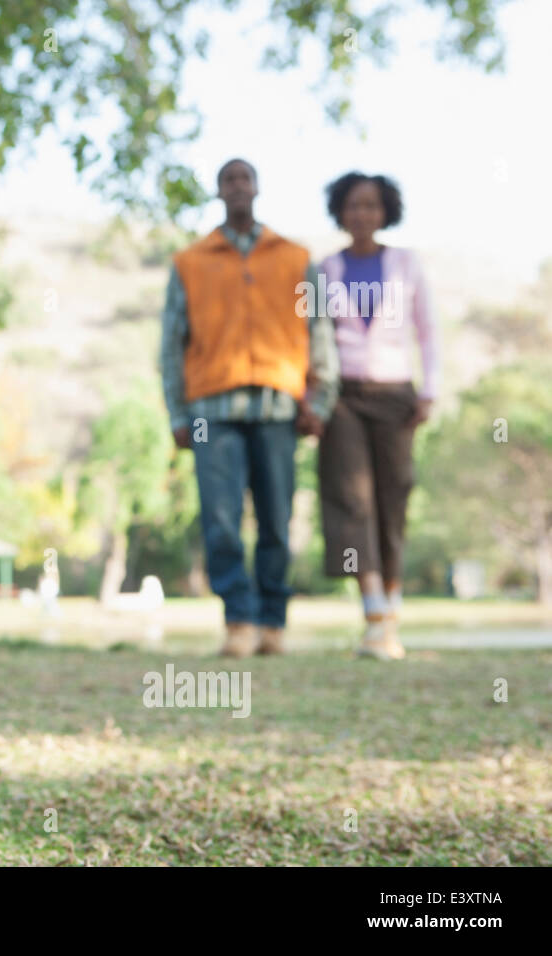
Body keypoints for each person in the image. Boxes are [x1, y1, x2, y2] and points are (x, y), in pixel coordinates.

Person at [160, 158, 339, 657]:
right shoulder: (190, 261)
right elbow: (171, 344)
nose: (238, 186)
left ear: (257, 188)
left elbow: (319, 331)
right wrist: (178, 413)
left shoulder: (294, 258)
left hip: (278, 408)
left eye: (245, 178)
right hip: (209, 411)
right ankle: (237, 618)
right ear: (219, 191)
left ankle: (273, 621)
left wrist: (319, 400)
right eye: (228, 180)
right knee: (219, 518)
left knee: (277, 520)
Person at [316, 172, 439, 660]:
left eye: (370, 205)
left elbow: (428, 331)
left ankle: (392, 602)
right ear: (340, 212)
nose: (361, 214)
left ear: (385, 210)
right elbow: (315, 333)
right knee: (351, 499)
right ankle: (373, 612)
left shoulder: (407, 264)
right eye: (352, 205)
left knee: (394, 497)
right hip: (342, 396)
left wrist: (430, 390)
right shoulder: (325, 269)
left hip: (395, 396)